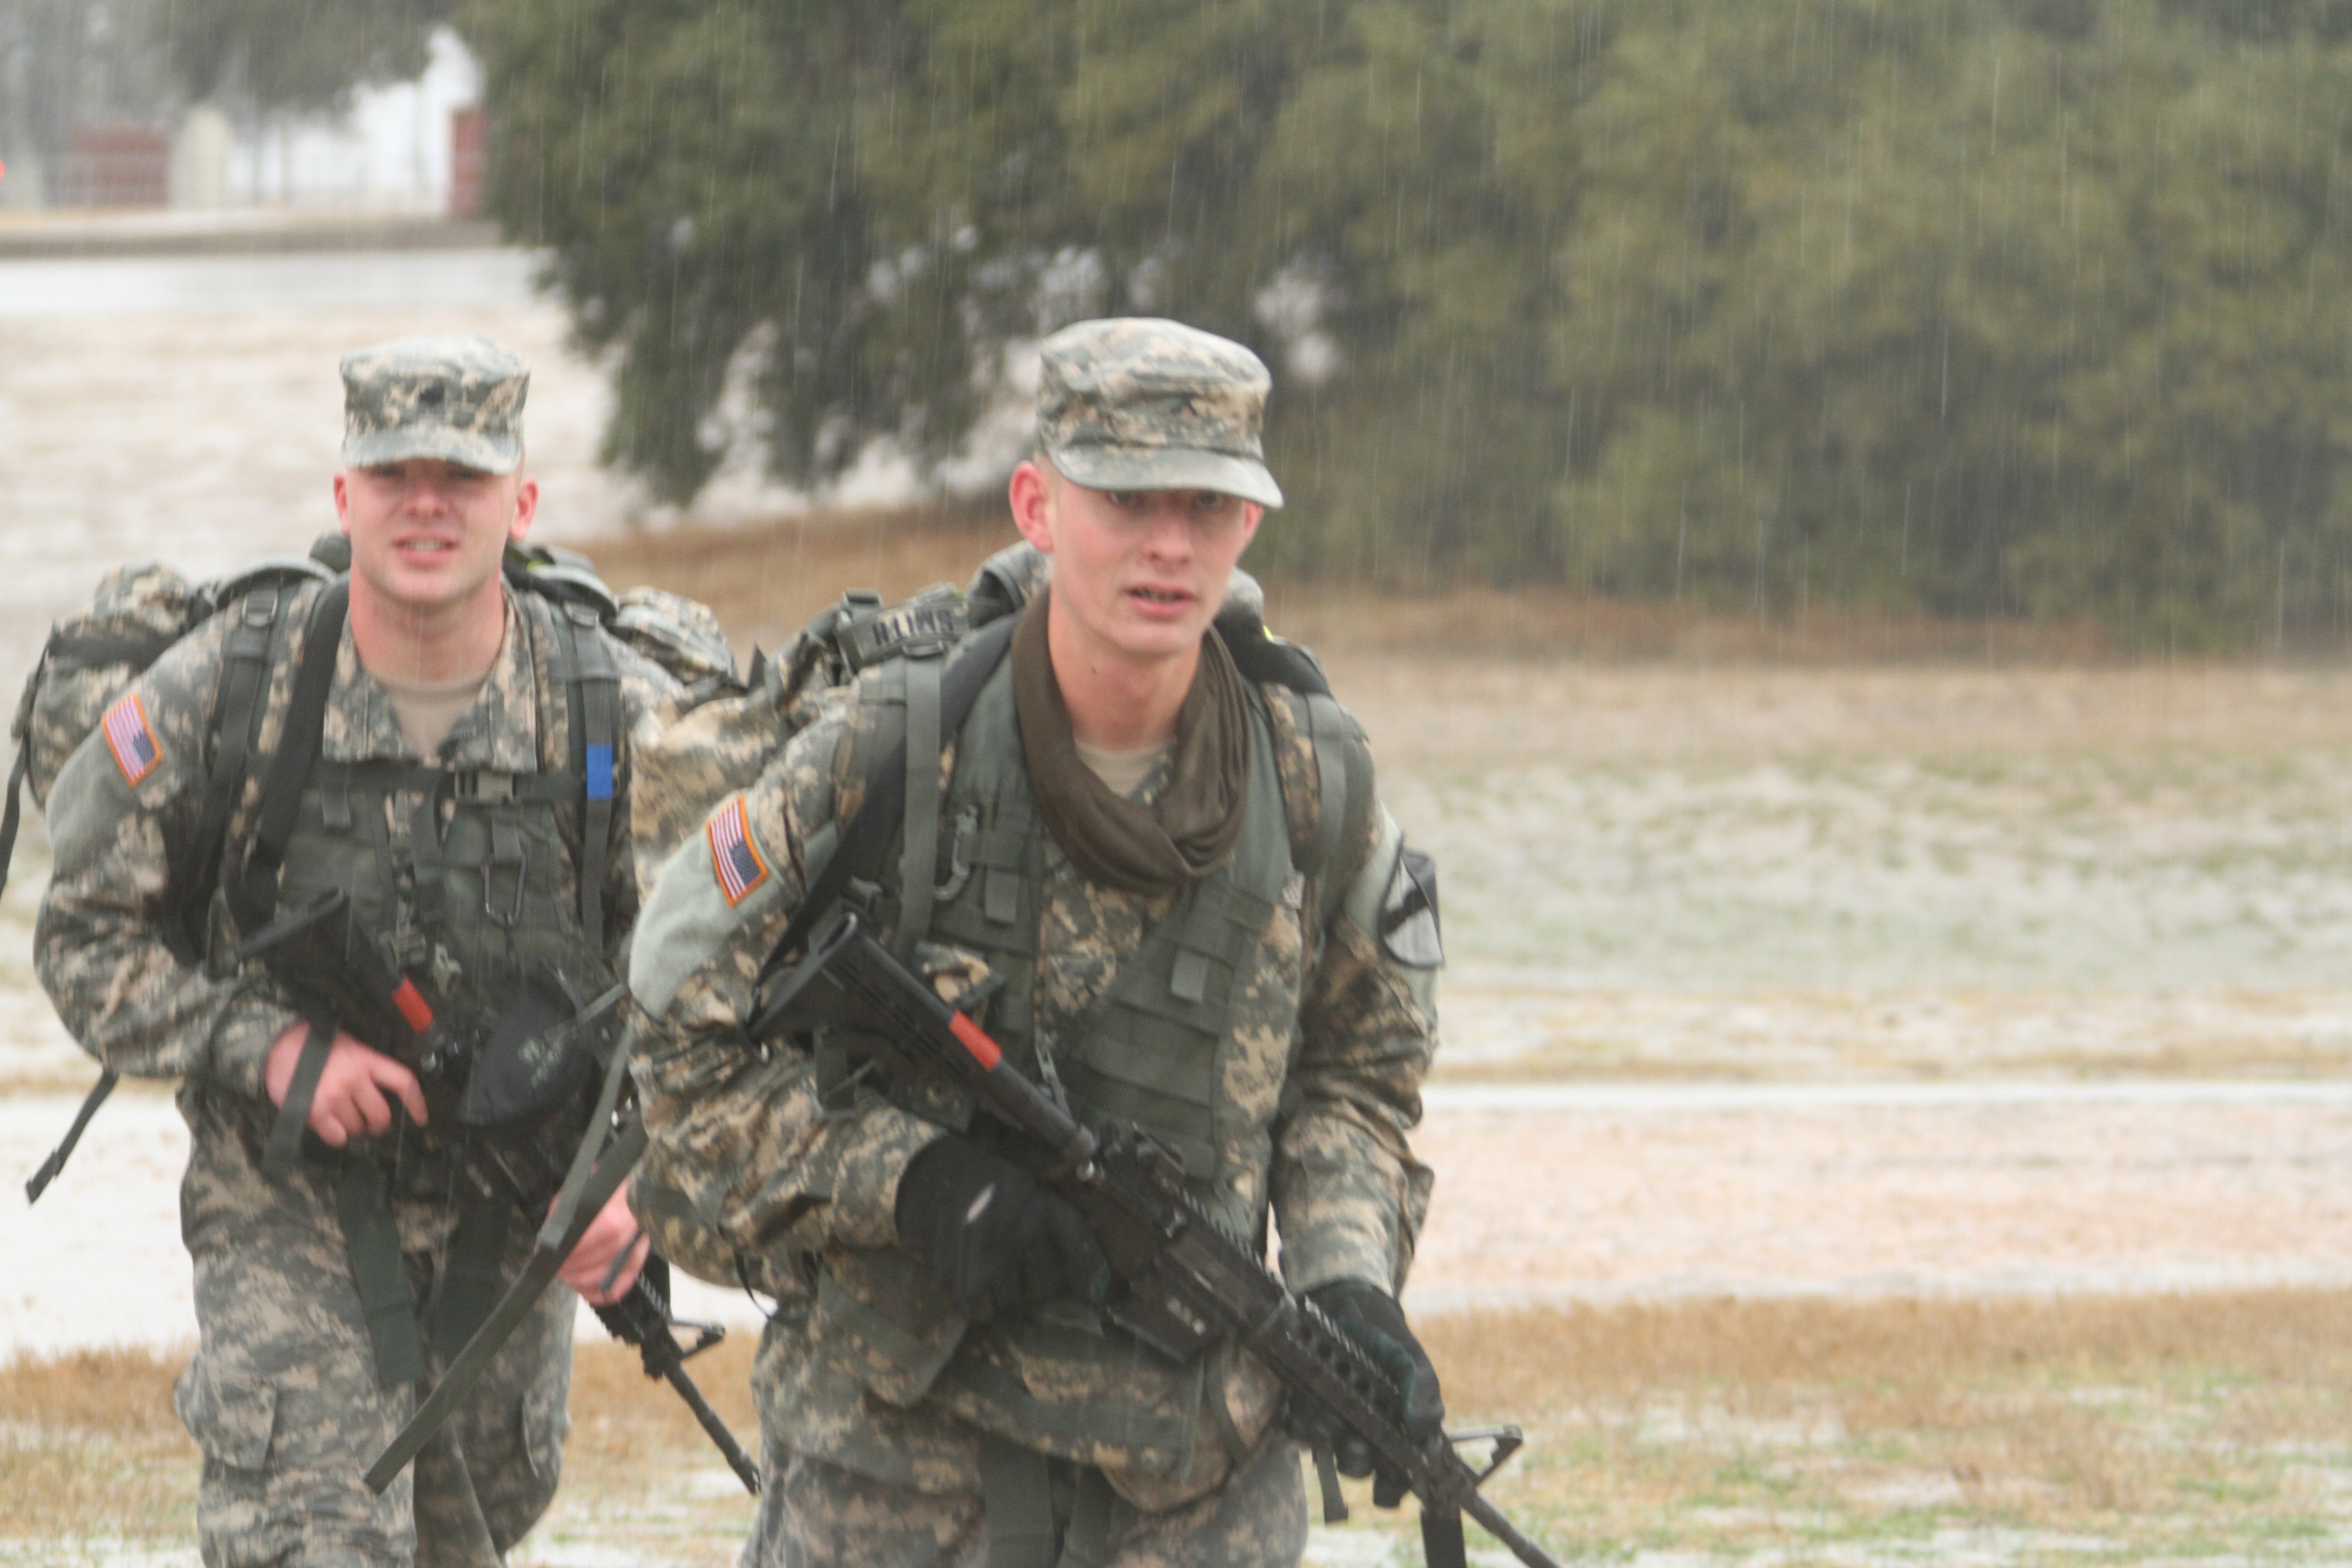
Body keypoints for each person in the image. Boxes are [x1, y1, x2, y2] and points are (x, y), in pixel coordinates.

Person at [624, 317, 1445, 1567]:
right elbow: (681, 1047)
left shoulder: (1315, 783)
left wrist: (1347, 1283)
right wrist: (906, 1181)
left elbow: (1358, 1083)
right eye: (1123, 498)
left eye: (1204, 505)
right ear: (1039, 503)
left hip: (1197, 1496)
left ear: (1249, 528)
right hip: (890, 1485)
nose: (1167, 544)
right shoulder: (895, 748)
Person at [37, 334, 677, 1567]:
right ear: (345, 499)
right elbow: (83, 938)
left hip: (515, 1215)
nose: (426, 505)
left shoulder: (611, 708)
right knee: (316, 1536)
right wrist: (267, 1046)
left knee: (476, 1529)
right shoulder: (230, 690)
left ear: (522, 504)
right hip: (290, 1205)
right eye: (394, 477)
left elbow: (719, 980)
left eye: (463, 479)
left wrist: (631, 1176)